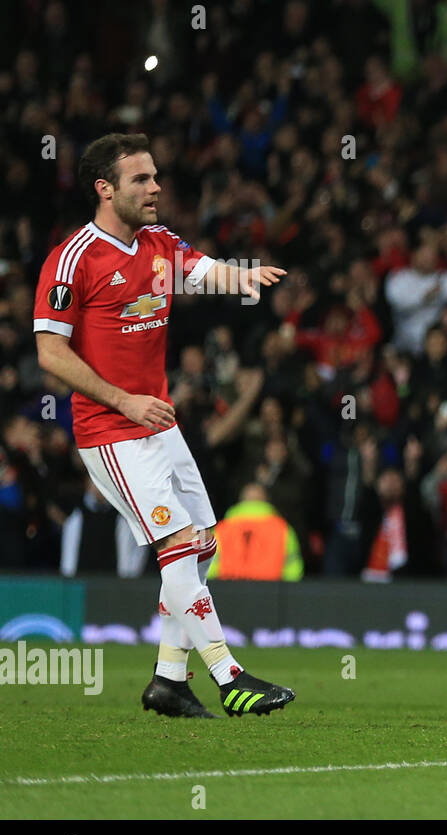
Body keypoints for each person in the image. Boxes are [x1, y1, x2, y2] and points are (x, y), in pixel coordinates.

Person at [32, 133, 296, 719]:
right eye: (141, 180)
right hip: (111, 429)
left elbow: (200, 269)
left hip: (158, 422)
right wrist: (122, 401)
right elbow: (51, 351)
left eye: (156, 176)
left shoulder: (157, 243)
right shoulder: (73, 258)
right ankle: (230, 677)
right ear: (105, 190)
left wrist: (243, 277)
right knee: (176, 544)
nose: (156, 188)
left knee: (202, 544)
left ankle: (169, 680)